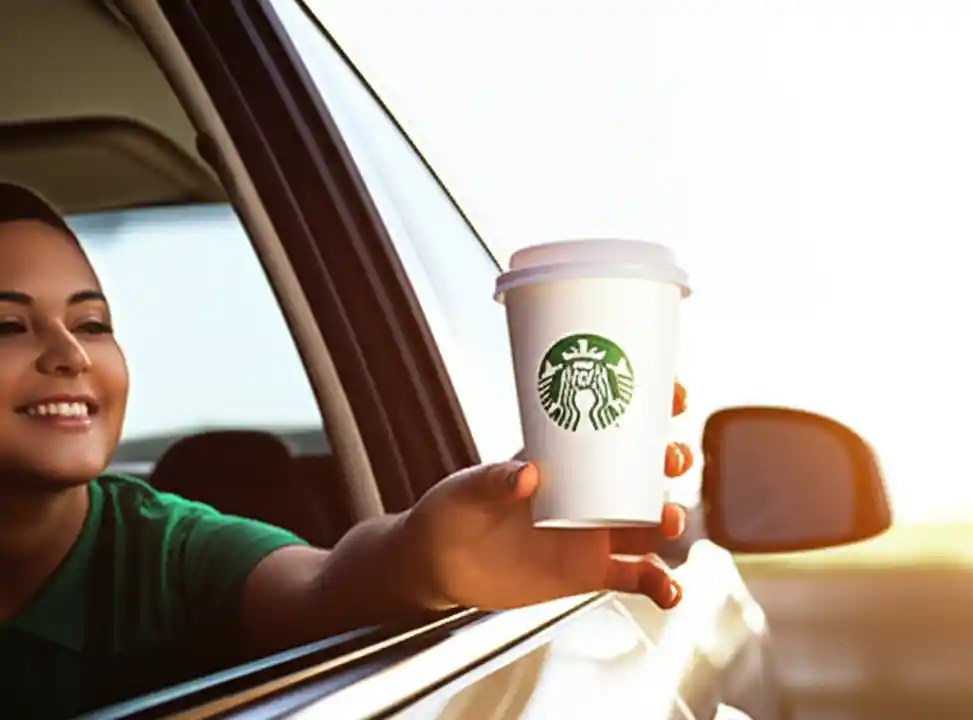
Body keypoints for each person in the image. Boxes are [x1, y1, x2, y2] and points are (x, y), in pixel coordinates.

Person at [0, 182, 694, 718]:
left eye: (92, 323)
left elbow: (320, 585)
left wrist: (429, 559)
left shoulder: (165, 551)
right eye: (8, 326)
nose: (68, 354)